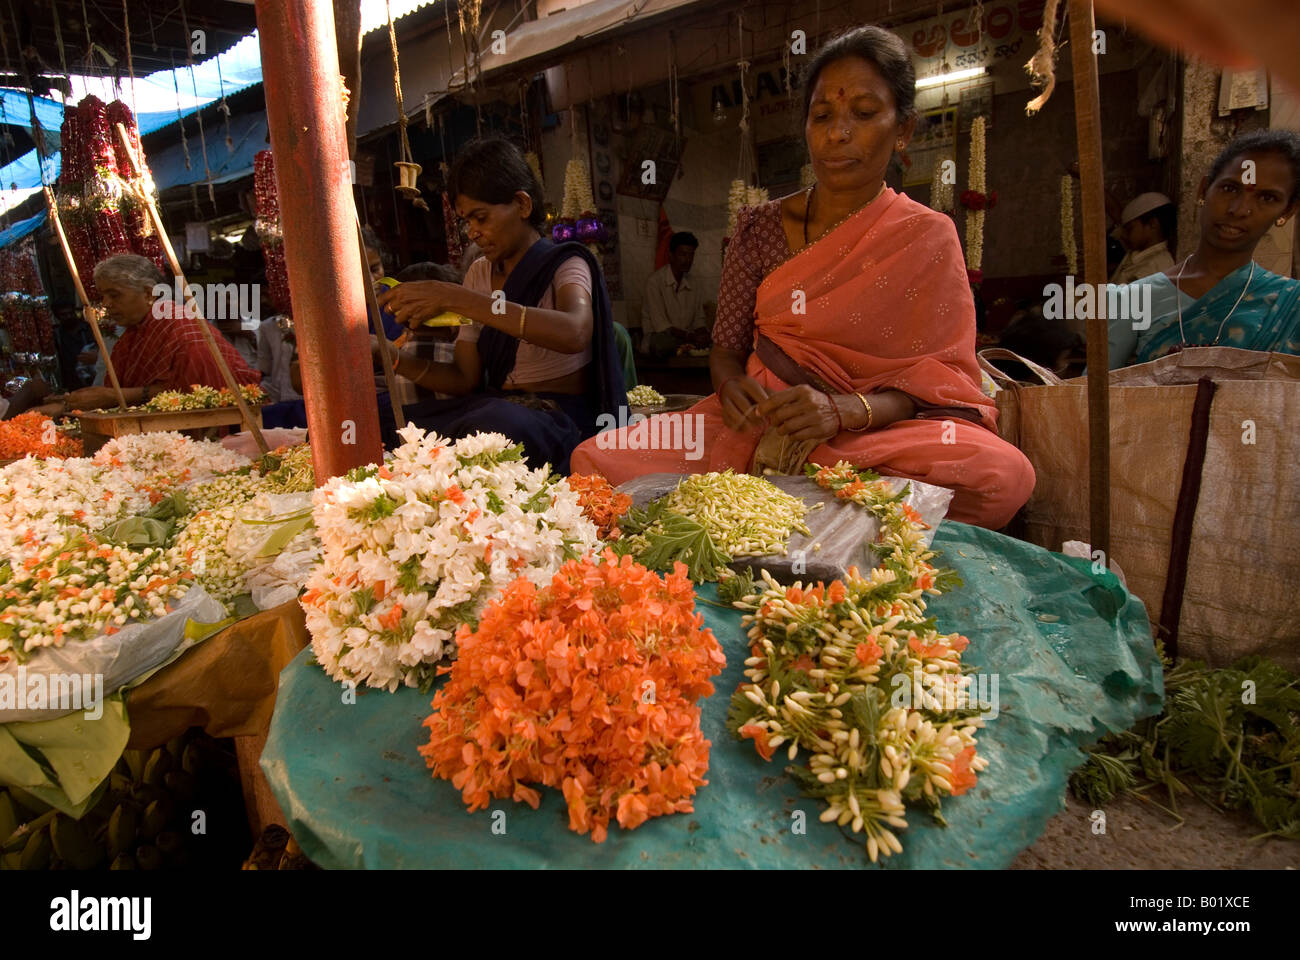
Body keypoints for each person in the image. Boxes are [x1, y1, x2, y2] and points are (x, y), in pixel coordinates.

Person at [570, 26, 1035, 529]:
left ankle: (773, 506)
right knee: (595, 459)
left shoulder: (927, 234)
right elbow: (726, 350)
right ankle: (824, 512)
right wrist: (731, 391)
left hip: (872, 435)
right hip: (758, 426)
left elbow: (939, 383)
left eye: (863, 113)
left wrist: (844, 411)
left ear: (903, 130)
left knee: (1001, 475)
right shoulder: (759, 227)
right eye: (822, 116)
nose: (838, 133)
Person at [374, 137, 626, 473]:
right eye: (467, 222)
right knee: (381, 416)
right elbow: (464, 378)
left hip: (555, 416)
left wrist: (456, 297)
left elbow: (575, 331)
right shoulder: (479, 273)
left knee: (496, 426)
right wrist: (390, 356)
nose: (473, 233)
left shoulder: (565, 263)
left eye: (480, 218)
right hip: (493, 405)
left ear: (522, 205)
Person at [1108, 130, 1300, 369]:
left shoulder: (1291, 306)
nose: (1239, 209)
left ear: (1286, 212)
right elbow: (1091, 396)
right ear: (1203, 190)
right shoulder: (1136, 298)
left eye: (1267, 198)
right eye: (1230, 189)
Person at [57, 254, 260, 411]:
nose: (106, 304)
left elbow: (198, 394)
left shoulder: (182, 328)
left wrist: (115, 397)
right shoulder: (135, 332)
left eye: (114, 295)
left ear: (148, 293)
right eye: (103, 295)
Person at [640, 232, 711, 358]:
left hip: (686, 340)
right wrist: (691, 337)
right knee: (662, 344)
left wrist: (704, 335)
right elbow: (661, 326)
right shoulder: (654, 282)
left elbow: (699, 321)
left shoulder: (694, 283)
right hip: (661, 340)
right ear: (671, 255)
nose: (688, 260)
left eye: (691, 255)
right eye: (683, 254)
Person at [1109, 192, 1177, 285]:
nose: (1124, 235)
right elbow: (1114, 210)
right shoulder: (1140, 251)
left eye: (1130, 229)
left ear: (1152, 224)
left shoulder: (1158, 266)